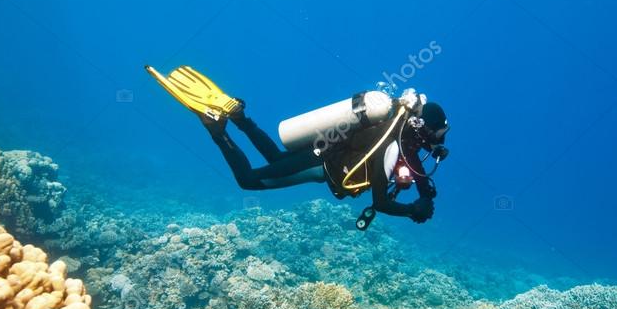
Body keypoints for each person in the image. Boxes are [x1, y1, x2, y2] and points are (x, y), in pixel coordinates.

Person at [145, 65, 449, 225]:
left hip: (323, 146)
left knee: (276, 157)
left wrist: (426, 193)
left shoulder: (396, 132)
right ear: (420, 129)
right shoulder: (393, 145)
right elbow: (381, 203)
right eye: (436, 138)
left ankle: (240, 118)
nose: (435, 145)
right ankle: (217, 128)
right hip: (322, 167)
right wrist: (411, 210)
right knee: (249, 181)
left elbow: (416, 168)